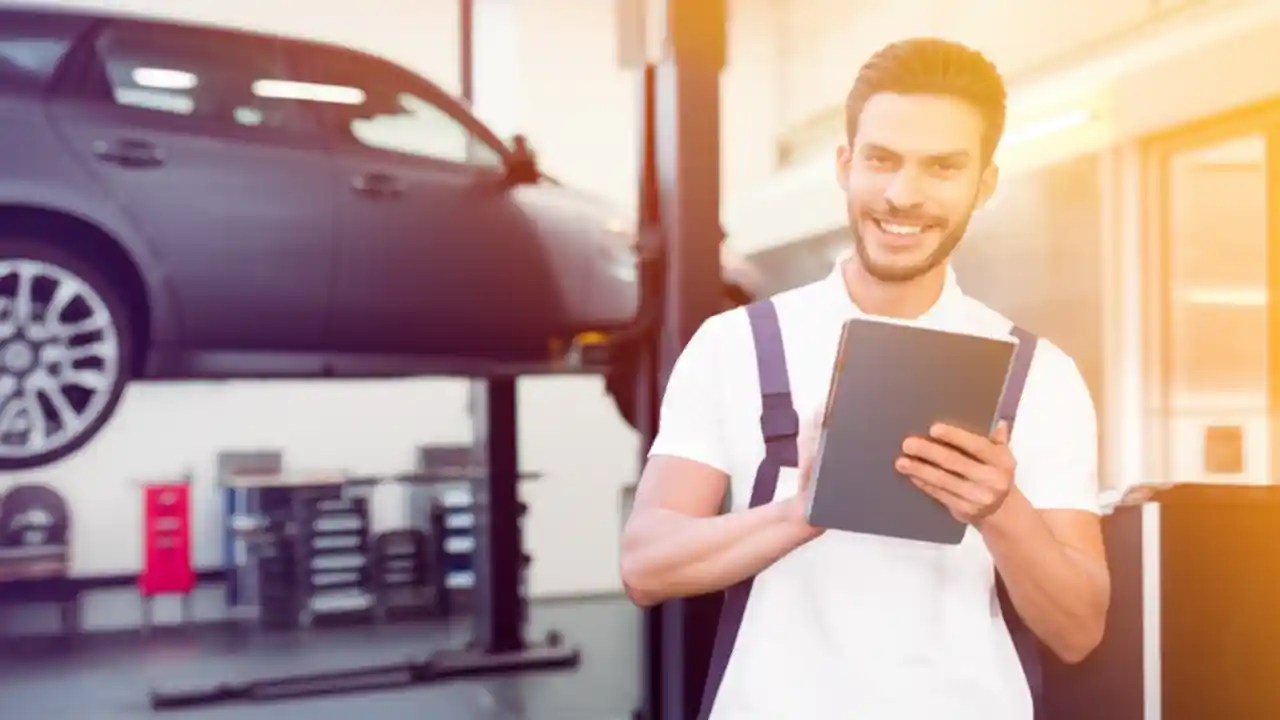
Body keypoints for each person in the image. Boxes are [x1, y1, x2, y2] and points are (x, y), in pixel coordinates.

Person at [619, 37, 1110, 719]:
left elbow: (1079, 629)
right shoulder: (737, 344)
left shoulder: (1040, 376)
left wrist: (1001, 510)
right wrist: (803, 508)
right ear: (846, 165)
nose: (904, 195)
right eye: (882, 160)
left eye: (942, 167)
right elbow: (646, 564)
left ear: (984, 183)